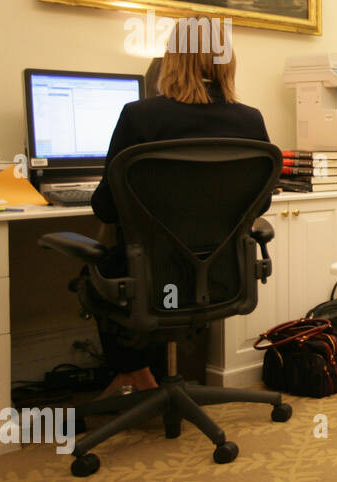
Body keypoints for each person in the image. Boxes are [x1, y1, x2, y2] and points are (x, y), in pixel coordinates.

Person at [90, 21, 271, 396]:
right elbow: (261, 203)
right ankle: (144, 376)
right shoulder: (250, 119)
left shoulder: (139, 116)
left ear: (171, 61)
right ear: (227, 62)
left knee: (102, 257)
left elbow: (105, 207)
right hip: (219, 277)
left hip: (150, 276)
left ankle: (135, 371)